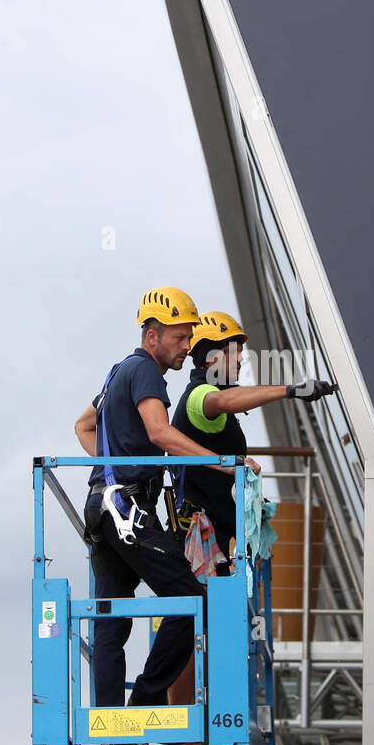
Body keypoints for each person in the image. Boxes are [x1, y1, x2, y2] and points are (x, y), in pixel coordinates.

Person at [73, 287, 258, 708]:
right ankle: (142, 705)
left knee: (110, 624)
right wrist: (225, 463)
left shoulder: (117, 371)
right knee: (193, 598)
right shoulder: (146, 372)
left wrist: (110, 465)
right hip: (127, 510)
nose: (187, 346)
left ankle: (109, 725)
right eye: (180, 337)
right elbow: (159, 432)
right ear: (152, 335)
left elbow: (84, 425)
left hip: (101, 505)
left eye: (190, 336)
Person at [163, 311, 337, 704]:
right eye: (233, 351)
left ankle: (193, 714)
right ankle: (182, 718)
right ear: (210, 357)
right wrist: (289, 390)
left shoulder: (211, 408)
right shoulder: (199, 398)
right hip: (201, 537)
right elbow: (223, 399)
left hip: (214, 538)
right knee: (199, 624)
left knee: (208, 623)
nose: (240, 359)